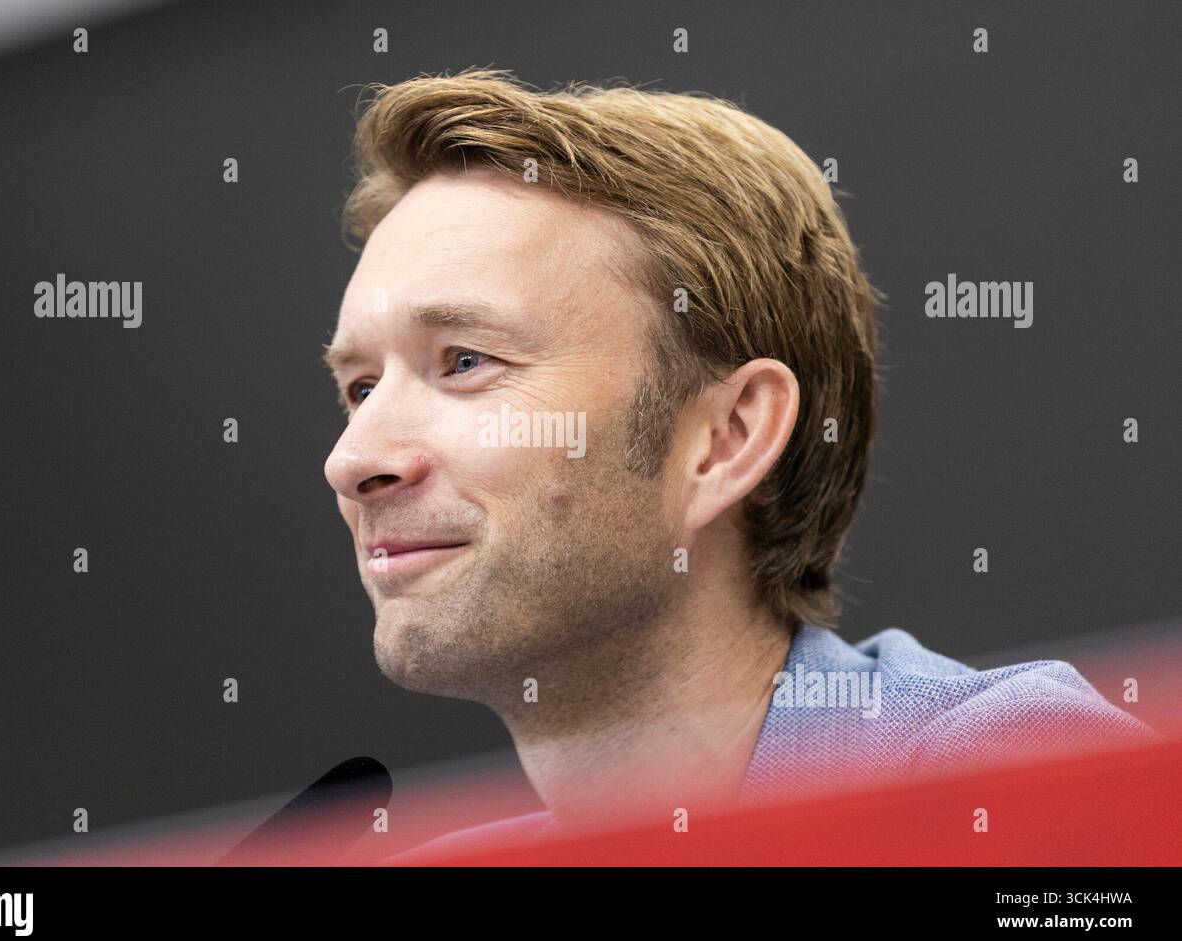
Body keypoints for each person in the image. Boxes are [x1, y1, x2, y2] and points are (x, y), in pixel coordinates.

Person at [320, 68, 1155, 859]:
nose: (352, 460)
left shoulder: (1007, 786)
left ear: (726, 438)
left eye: (464, 360)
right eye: (359, 387)